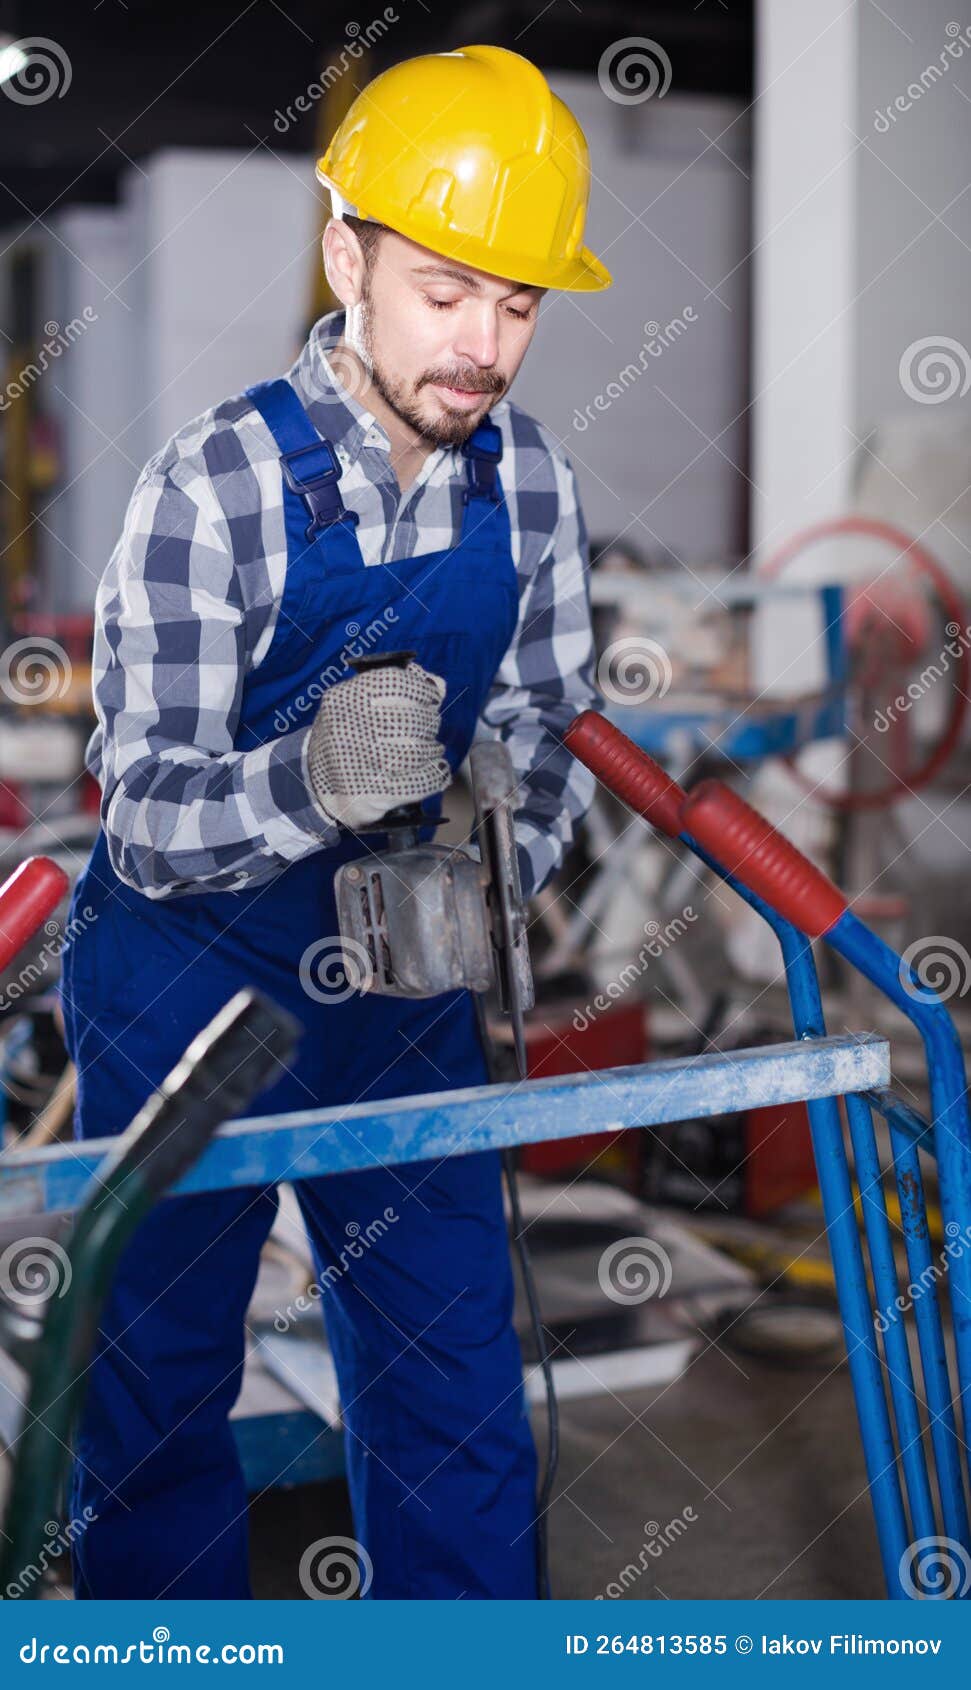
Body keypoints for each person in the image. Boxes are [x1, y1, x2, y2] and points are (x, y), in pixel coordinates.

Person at [59, 42, 611, 1600]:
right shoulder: (210, 490)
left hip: (397, 984)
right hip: (184, 993)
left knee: (455, 1393)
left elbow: (546, 720)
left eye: (519, 303)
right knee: (157, 1394)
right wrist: (307, 783)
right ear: (345, 254)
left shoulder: (534, 491)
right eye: (447, 290)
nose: (487, 345)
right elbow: (150, 816)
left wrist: (506, 838)